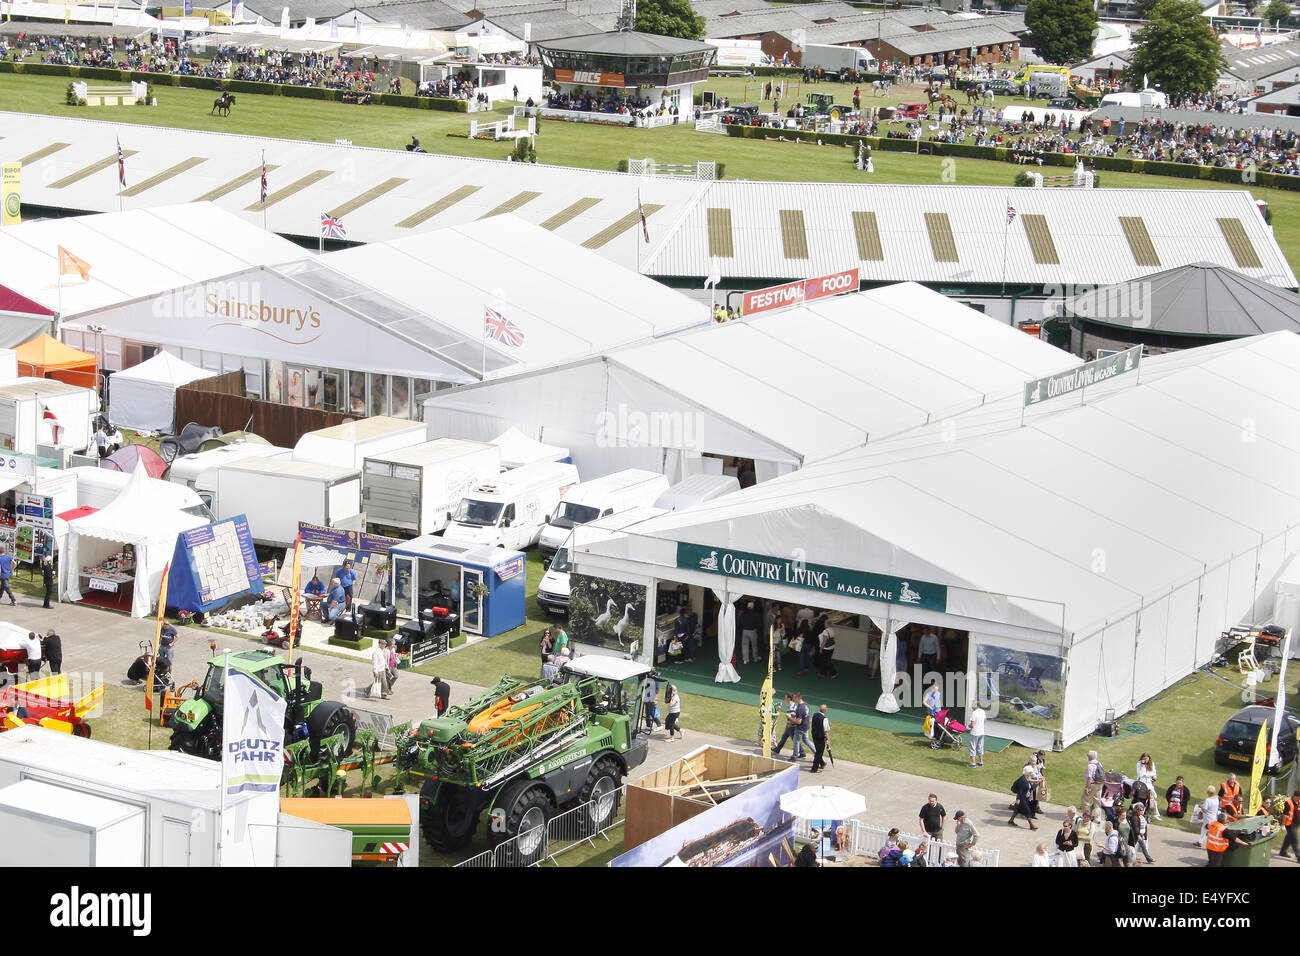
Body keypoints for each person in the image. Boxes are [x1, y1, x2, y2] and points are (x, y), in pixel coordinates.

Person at [771, 692, 803, 758]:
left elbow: (793, 717)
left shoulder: (792, 707)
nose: (784, 698)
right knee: (784, 737)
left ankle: (802, 752)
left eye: (785, 697)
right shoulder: (791, 705)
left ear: (788, 698)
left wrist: (789, 725)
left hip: (791, 726)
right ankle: (777, 749)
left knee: (794, 740)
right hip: (790, 725)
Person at [1135, 753, 1160, 820]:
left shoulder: (1152, 764)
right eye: (1144, 758)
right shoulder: (1139, 764)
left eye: (1147, 758)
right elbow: (1140, 774)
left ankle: (1149, 813)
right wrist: (1143, 766)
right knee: (1142, 798)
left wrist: (1150, 775)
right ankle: (1140, 812)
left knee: (1151, 797)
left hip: (1149, 783)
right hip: (1141, 782)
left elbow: (1154, 774)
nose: (1146, 759)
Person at [1279, 788, 1299, 862]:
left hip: (1296, 824)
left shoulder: (1298, 802)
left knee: (1289, 838)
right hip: (1289, 824)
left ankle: (1282, 852)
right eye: (1298, 798)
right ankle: (1299, 856)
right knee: (1294, 839)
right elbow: (1285, 814)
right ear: (1295, 796)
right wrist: (1283, 825)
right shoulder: (1288, 802)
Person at [739, 600, 760, 665]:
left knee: (745, 645)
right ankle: (755, 658)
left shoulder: (743, 613)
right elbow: (758, 623)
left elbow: (740, 622)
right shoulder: (755, 614)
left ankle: (745, 660)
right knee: (754, 646)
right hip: (752, 631)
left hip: (745, 630)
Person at [810, 703, 829, 772]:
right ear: (825, 710)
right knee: (819, 752)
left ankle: (822, 763)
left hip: (814, 736)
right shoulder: (824, 719)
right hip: (820, 737)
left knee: (818, 751)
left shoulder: (815, 715)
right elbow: (826, 731)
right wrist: (828, 741)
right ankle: (814, 768)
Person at [967, 698, 986, 767]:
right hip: (982, 732)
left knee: (972, 747)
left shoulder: (974, 713)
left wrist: (969, 726)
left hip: (975, 733)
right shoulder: (983, 711)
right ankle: (981, 762)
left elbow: (972, 725)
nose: (971, 705)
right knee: (980, 747)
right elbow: (985, 720)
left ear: (976, 705)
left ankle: (973, 763)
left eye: (973, 704)